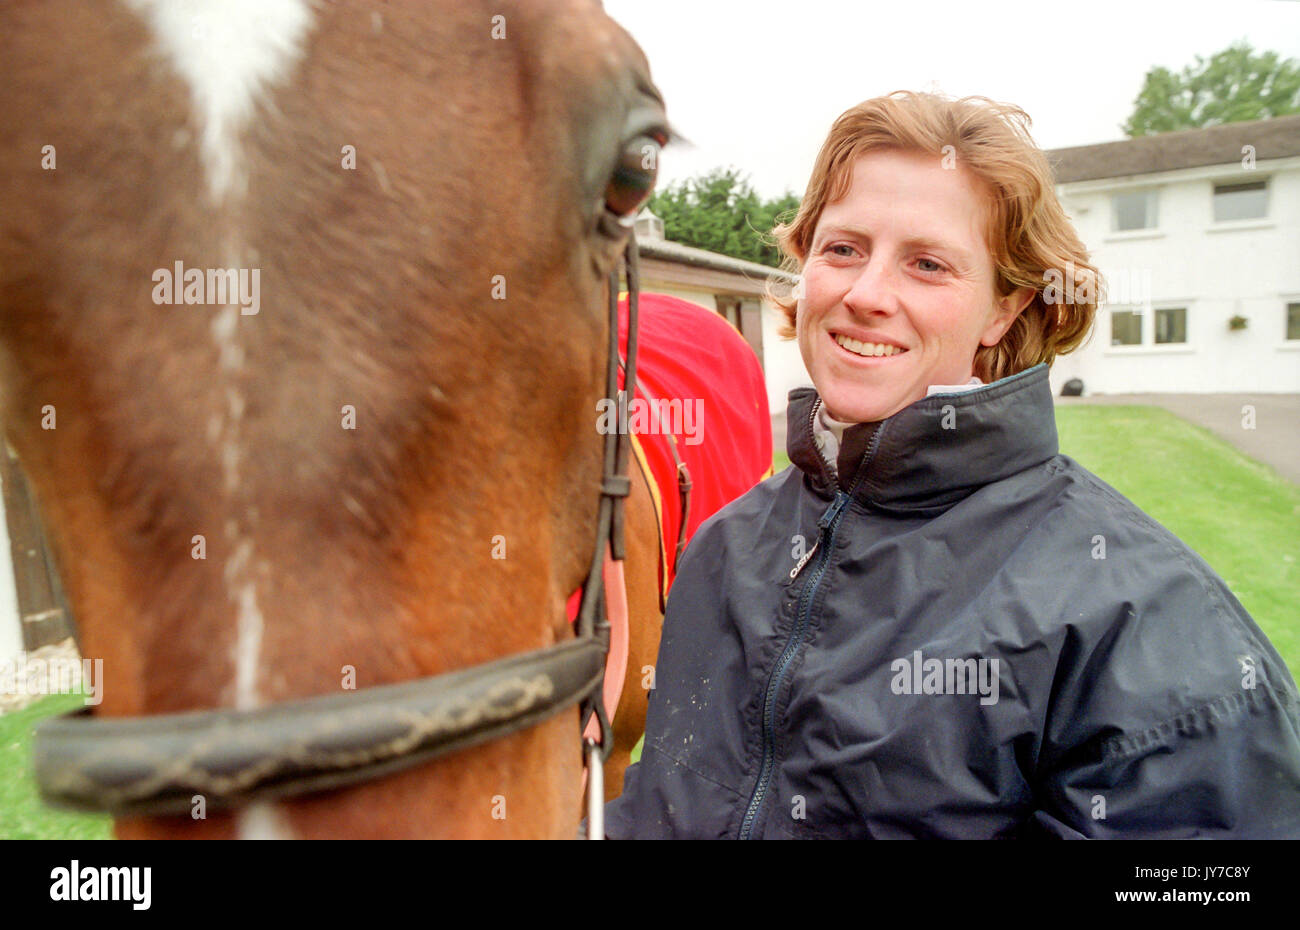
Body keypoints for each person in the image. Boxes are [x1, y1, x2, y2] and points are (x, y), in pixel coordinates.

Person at [603, 91, 1300, 838]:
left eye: (927, 264)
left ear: (1005, 309)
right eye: (843, 250)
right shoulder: (723, 551)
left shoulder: (1146, 622)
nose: (867, 294)